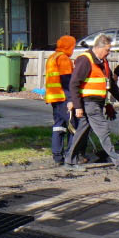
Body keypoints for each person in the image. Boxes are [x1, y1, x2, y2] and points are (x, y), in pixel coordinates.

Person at [65, 35, 119, 170]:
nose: (109, 52)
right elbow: (74, 84)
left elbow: (110, 83)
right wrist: (77, 106)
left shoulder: (103, 62)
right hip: (89, 103)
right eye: (107, 49)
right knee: (103, 131)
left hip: (97, 103)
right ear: (99, 47)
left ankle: (69, 161)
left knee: (81, 132)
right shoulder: (85, 60)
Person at [44, 35, 77, 166]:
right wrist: (71, 99)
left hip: (54, 97)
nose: (73, 50)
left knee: (58, 126)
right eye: (73, 47)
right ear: (68, 47)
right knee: (74, 126)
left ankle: (57, 156)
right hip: (64, 98)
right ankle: (71, 155)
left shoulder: (53, 57)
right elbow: (67, 81)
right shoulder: (63, 59)